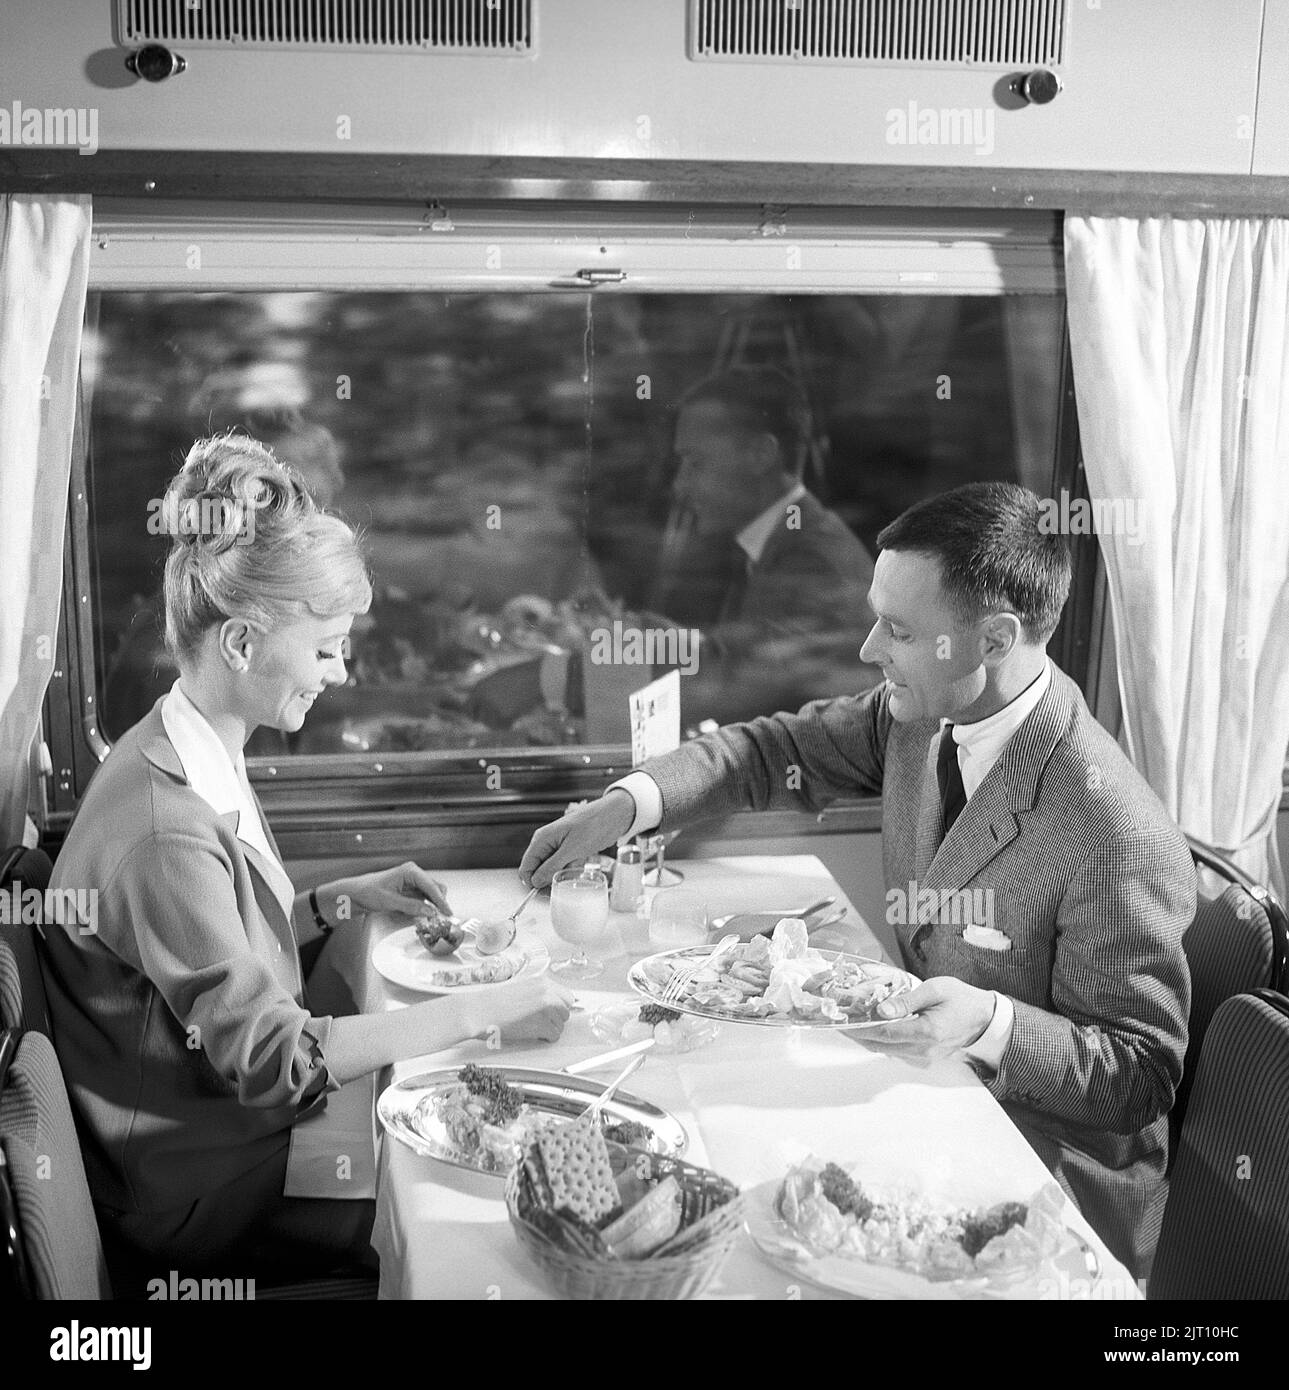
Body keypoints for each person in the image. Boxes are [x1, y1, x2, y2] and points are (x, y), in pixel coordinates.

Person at [521, 481, 1193, 1277]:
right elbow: (770, 752)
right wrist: (630, 804)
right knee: (688, 1142)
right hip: (923, 1099)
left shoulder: (1113, 831)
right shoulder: (920, 716)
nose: (869, 650)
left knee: (740, 1230)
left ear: (993, 638)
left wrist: (990, 1021)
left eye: (897, 630)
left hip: (1034, 1180)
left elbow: (1138, 1077)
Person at [43, 433, 571, 1291]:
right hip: (197, 1200)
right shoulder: (162, 828)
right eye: (326, 647)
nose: (340, 671)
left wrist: (332, 904)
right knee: (479, 1204)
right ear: (244, 644)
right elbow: (277, 1064)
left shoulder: (183, 746)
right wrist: (485, 1007)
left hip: (217, 1142)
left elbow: (206, 951)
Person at [648, 366, 880, 722]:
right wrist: (676, 643)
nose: (679, 485)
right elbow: (755, 656)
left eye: (696, 463)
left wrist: (592, 677)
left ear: (760, 455)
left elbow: (736, 691)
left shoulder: (812, 559)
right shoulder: (788, 540)